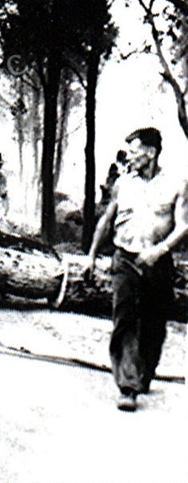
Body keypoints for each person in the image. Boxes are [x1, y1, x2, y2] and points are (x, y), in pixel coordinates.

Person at [88, 127, 188, 412]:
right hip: (125, 258)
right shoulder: (123, 183)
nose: (129, 157)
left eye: (134, 151)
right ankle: (128, 386)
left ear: (151, 152)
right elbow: (106, 221)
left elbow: (183, 225)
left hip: (158, 261)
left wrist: (159, 251)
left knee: (155, 324)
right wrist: (92, 255)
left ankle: (143, 375)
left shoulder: (177, 183)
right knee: (125, 318)